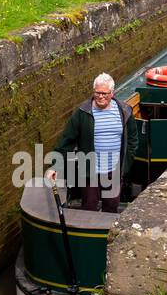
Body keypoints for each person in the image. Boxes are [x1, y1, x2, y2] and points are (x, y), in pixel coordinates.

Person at [46, 73, 135, 212]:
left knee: (111, 207)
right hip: (89, 172)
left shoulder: (125, 111)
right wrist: (55, 167)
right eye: (97, 93)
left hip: (115, 171)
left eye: (104, 94)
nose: (100, 97)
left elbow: (132, 140)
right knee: (89, 206)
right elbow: (66, 141)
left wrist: (126, 164)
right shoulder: (82, 112)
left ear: (112, 93)